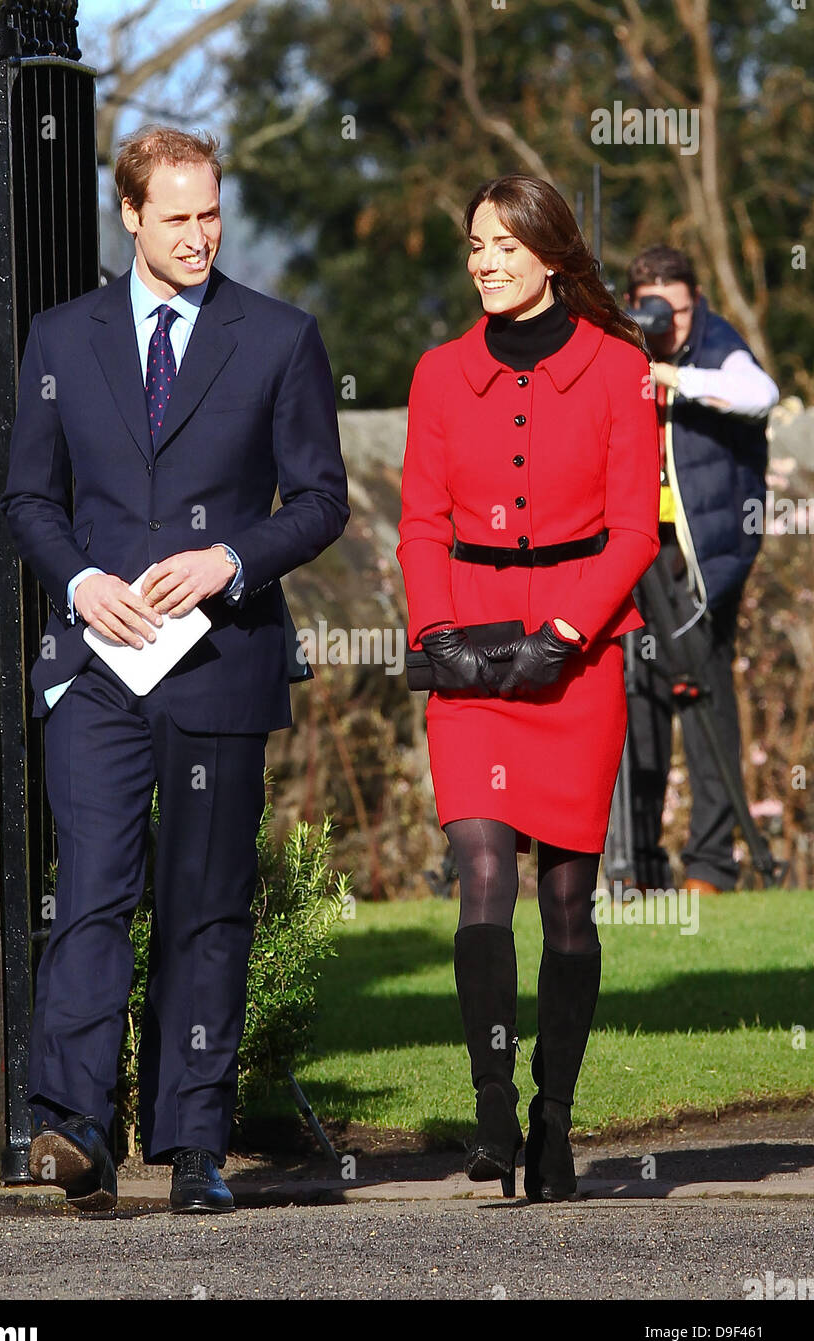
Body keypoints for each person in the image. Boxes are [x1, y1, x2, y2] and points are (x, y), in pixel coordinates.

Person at [0, 126, 349, 1213]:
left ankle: (194, 1144)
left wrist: (231, 557)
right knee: (93, 893)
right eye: (178, 217)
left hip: (220, 663)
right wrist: (77, 582)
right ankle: (75, 1128)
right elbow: (30, 501)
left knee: (205, 905)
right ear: (131, 215)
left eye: (212, 216)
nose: (199, 237)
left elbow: (323, 500)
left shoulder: (280, 338)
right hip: (100, 668)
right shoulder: (61, 340)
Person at [396, 175, 660, 1201]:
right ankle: (494, 1106)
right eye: (474, 246)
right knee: (480, 866)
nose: (486, 262)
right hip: (468, 648)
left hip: (575, 650)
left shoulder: (621, 368)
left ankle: (555, 1116)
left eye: (505, 244)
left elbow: (637, 527)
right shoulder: (436, 372)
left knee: (566, 902)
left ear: (551, 252)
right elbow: (421, 520)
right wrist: (434, 631)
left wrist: (567, 629)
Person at [624, 246, 778, 893]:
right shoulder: (621, 345)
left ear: (696, 303)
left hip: (698, 556)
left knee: (706, 700)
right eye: (654, 309)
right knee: (639, 704)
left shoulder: (715, 343)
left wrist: (674, 379)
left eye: (678, 309)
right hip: (629, 547)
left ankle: (712, 867)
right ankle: (640, 864)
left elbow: (761, 393)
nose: (668, 323)